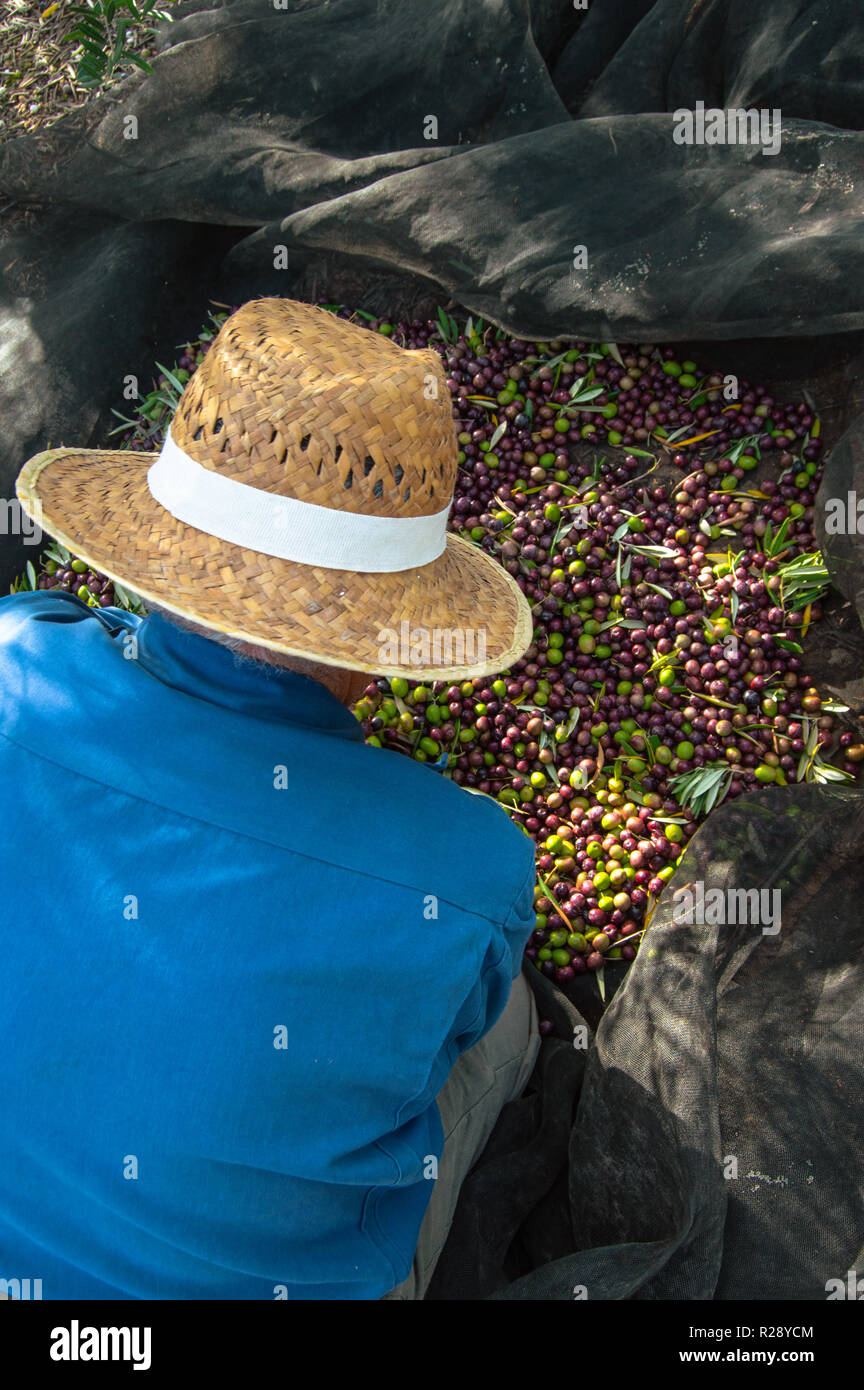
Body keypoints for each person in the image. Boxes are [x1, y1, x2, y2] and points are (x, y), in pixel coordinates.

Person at [0, 297, 539, 1300]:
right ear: (384, 650)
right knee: (510, 1030)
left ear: (153, 555)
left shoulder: (14, 659)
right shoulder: (466, 872)